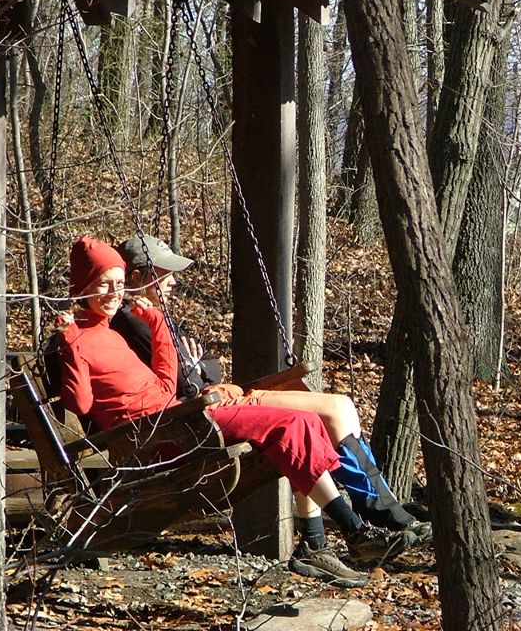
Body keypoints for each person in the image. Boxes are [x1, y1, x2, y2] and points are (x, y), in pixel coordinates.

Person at [57, 236, 408, 587]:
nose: (115, 294)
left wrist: (158, 324)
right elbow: (80, 405)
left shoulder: (110, 334)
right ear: (84, 286)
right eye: (105, 284)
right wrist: (71, 345)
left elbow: (164, 388)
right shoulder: (79, 338)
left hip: (177, 417)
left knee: (306, 421)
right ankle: (353, 532)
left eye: (118, 285)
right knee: (290, 425)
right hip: (163, 436)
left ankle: (326, 540)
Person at [113, 234, 432, 544]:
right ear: (138, 276)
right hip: (204, 413)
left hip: (223, 396)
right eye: (164, 273)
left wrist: (198, 367)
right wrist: (197, 368)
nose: (173, 281)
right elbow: (186, 381)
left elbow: (210, 366)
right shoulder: (136, 322)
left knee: (341, 407)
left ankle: (375, 509)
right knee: (326, 415)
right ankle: (373, 514)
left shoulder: (153, 316)